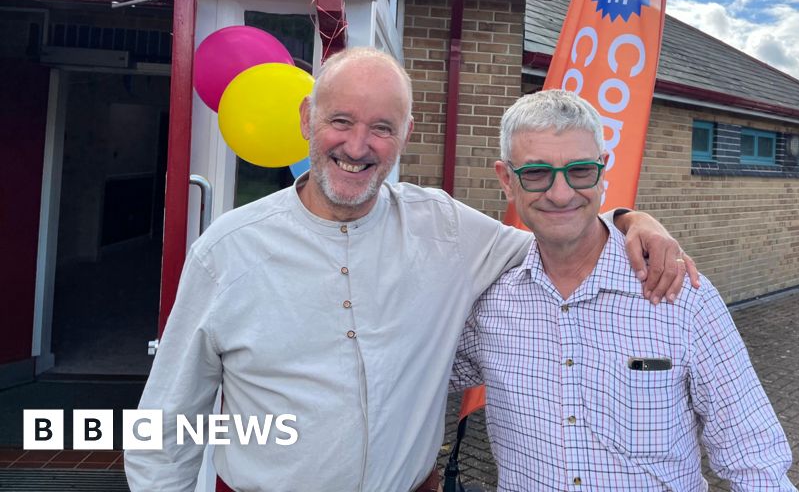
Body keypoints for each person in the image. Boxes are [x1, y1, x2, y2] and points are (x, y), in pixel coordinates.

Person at [124, 48, 696, 492]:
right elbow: (166, 422)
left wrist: (630, 219)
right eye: (340, 121)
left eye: (382, 127)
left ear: (405, 135)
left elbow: (556, 234)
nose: (358, 146)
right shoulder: (227, 251)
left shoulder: (444, 228)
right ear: (306, 119)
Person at [451, 90, 796, 491]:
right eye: (536, 173)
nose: (560, 193)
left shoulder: (681, 296)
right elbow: (416, 375)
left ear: (603, 171)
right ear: (507, 181)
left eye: (581, 170)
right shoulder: (491, 301)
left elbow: (755, 460)